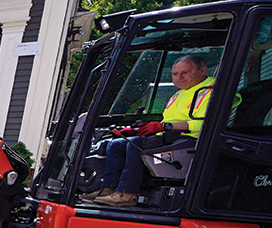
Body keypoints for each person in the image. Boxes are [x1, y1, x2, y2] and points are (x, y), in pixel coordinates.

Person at [90, 55, 216, 208]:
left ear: (202, 71)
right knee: (116, 144)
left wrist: (163, 127)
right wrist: (136, 130)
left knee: (137, 145)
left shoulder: (213, 91)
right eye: (175, 74)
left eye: (185, 72)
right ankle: (108, 189)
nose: (179, 77)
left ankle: (128, 193)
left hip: (193, 139)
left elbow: (206, 125)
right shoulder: (180, 93)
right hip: (171, 135)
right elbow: (166, 121)